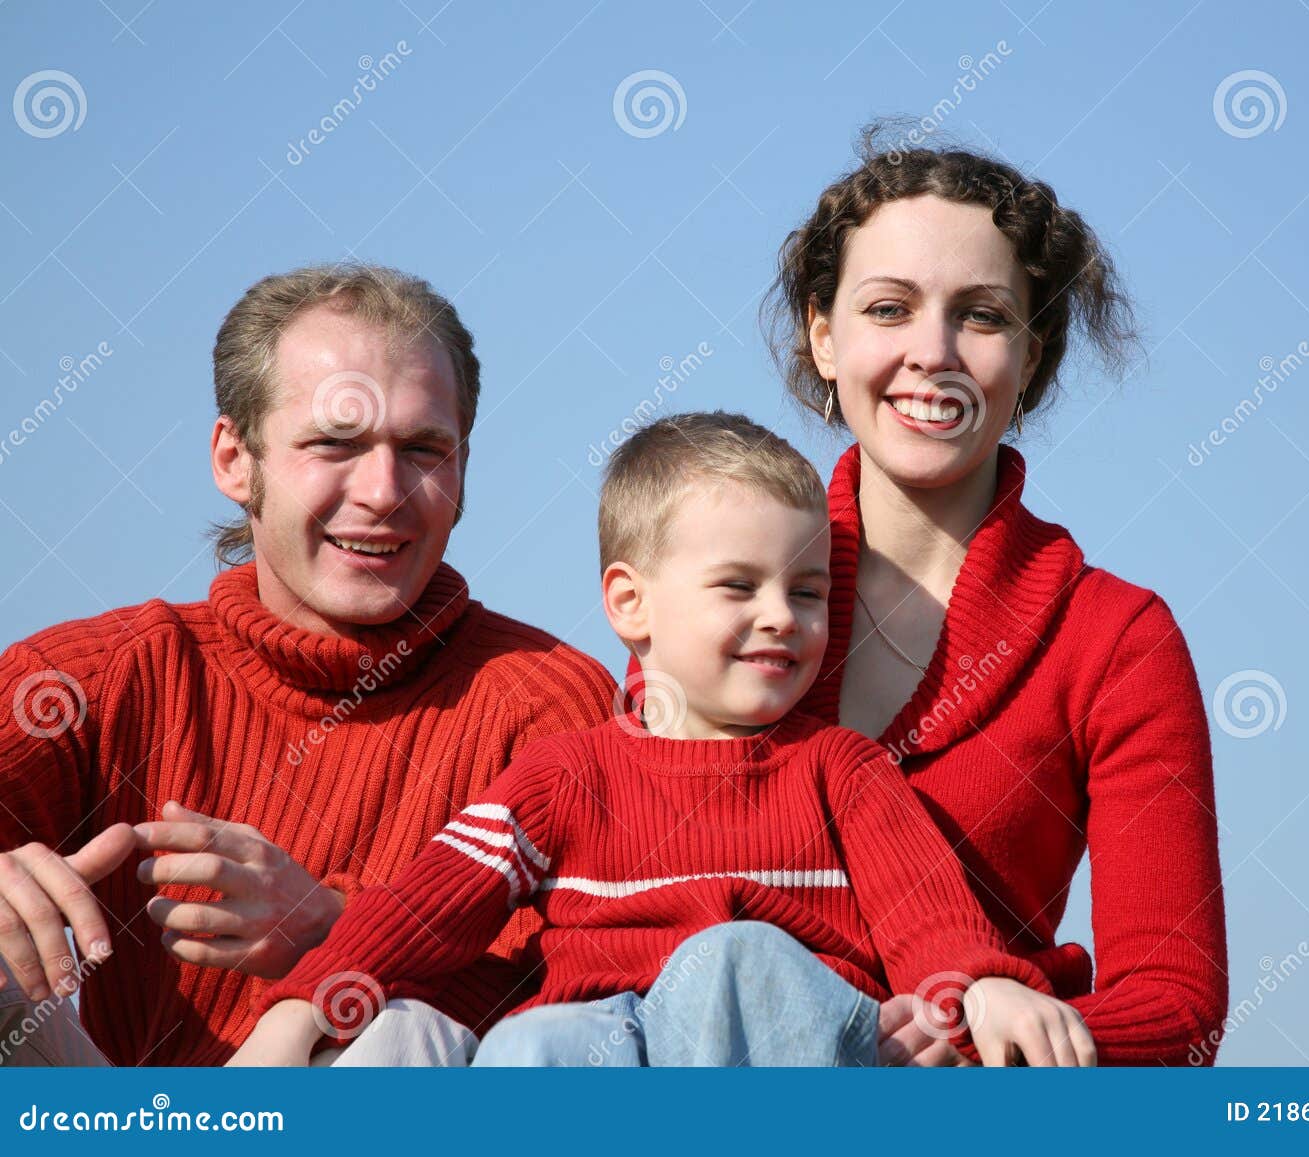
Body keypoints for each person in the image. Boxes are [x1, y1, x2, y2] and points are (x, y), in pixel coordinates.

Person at [230, 411, 1094, 1067]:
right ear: (629, 603)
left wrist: (980, 988)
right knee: (462, 1043)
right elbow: (427, 908)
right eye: (738, 585)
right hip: (602, 1044)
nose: (779, 617)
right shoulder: (566, 774)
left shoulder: (841, 769)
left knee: (737, 957)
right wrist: (302, 1008)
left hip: (769, 1044)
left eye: (806, 592)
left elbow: (927, 914)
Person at [0, 264, 615, 1067]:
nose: (384, 490)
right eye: (336, 443)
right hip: (122, 1126)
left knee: (408, 1033)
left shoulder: (548, 703)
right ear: (234, 459)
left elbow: (599, 999)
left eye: (424, 448)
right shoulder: (107, 677)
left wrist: (333, 930)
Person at [752, 129, 1229, 1065]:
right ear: (824, 336)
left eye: (981, 315)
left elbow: (1179, 1008)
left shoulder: (1116, 640)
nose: (933, 353)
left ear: (1031, 353)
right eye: (889, 308)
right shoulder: (717, 587)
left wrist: (998, 1043)